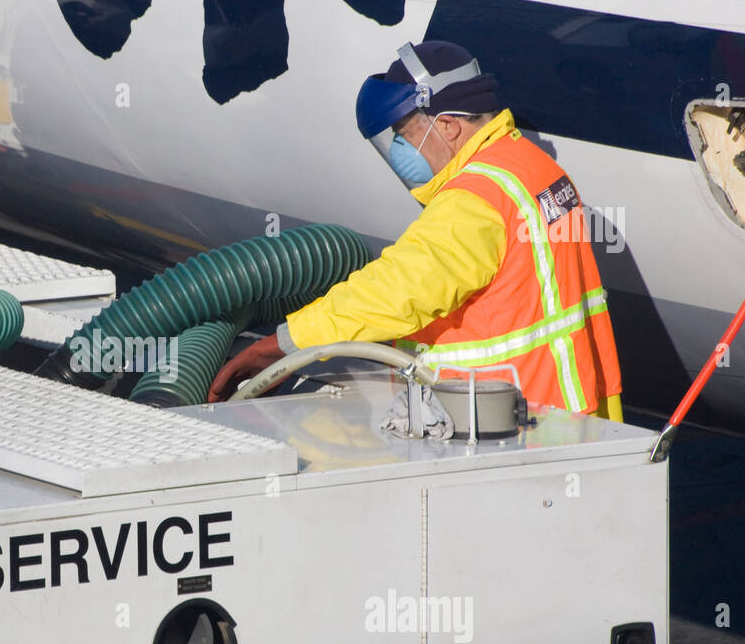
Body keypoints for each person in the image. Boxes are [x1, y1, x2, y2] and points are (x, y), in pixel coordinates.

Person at [208, 41, 623, 420]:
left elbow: (394, 292)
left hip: (504, 425)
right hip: (572, 411)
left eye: (404, 134)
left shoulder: (473, 200)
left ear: (447, 127)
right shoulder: (532, 168)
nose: (400, 150)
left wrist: (279, 347)